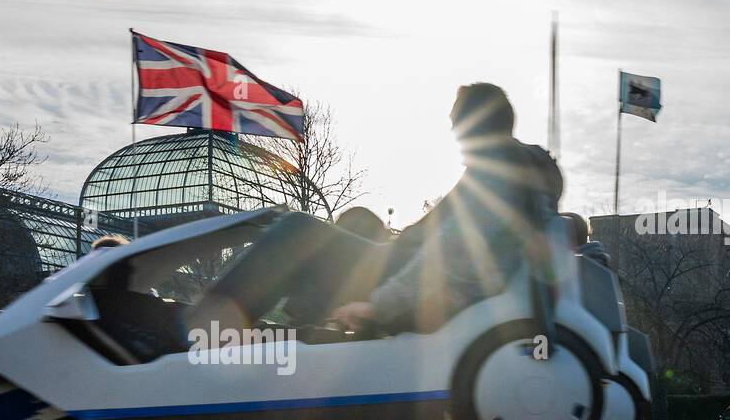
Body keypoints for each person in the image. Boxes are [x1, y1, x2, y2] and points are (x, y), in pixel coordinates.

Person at [195, 83, 562, 336]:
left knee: (295, 231)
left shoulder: (496, 173)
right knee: (356, 221)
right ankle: (312, 328)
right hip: (406, 268)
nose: (454, 136)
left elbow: (451, 252)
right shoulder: (511, 169)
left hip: (418, 290)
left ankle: (203, 330)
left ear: (474, 125)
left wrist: (379, 306)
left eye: (456, 126)